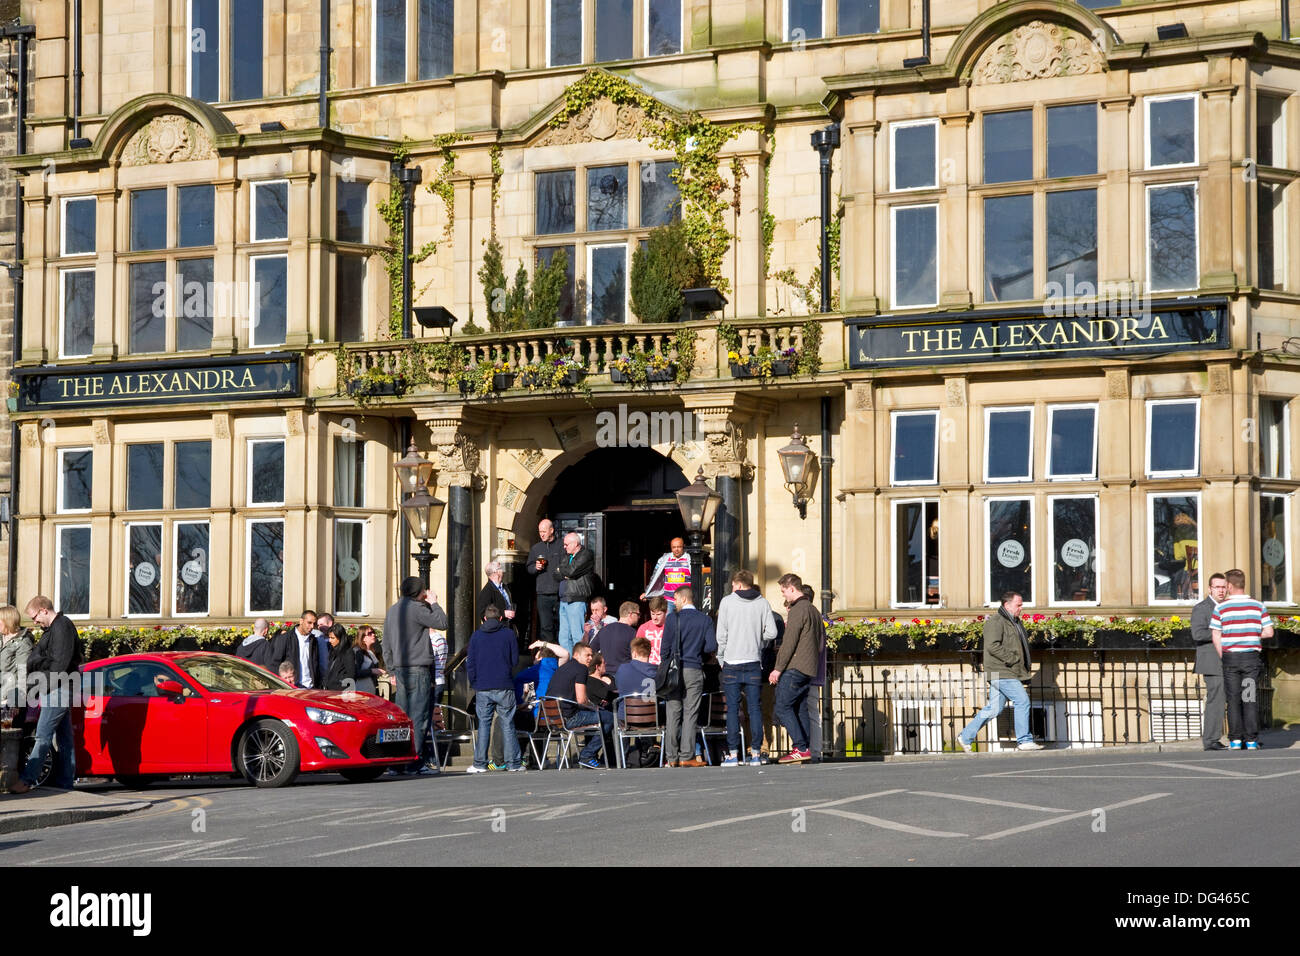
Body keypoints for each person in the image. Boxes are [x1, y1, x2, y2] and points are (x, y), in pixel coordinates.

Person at [10, 595, 83, 793]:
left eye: (35, 617)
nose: (35, 622)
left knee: (42, 736)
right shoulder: (54, 629)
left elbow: (59, 665)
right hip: (59, 687)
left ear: (44, 609)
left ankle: (27, 780)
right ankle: (66, 782)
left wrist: (39, 685)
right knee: (65, 739)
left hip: (58, 688)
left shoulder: (61, 627)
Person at [956, 590, 1041, 753]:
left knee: (994, 709)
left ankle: (965, 737)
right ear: (1007, 605)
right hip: (1001, 671)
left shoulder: (1014, 622)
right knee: (1022, 701)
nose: (1021, 608)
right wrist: (1013, 658)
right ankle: (1024, 740)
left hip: (1005, 671)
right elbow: (992, 646)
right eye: (1018, 605)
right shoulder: (996, 621)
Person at [383, 577, 449, 774]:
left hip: (401, 670)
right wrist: (434, 602)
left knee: (402, 718)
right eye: (423, 591)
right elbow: (442, 622)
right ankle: (414, 763)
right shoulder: (417, 608)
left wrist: (391, 669)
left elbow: (386, 643)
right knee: (419, 718)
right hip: (418, 668)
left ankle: (397, 763)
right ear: (419, 593)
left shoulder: (393, 610)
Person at [715, 570, 776, 767]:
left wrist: (721, 657)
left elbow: (721, 635)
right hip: (753, 662)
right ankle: (756, 752)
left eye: (733, 585)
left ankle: (733, 754)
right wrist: (757, 637)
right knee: (754, 708)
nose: (732, 588)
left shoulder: (727, 602)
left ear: (739, 584)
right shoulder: (762, 602)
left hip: (731, 661)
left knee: (732, 709)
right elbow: (771, 632)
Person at [1211, 568, 1273, 751]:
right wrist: (1252, 634)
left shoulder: (1221, 607)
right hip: (1250, 658)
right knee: (1249, 697)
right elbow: (1269, 632)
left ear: (1229, 585)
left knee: (1233, 699)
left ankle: (1236, 740)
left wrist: (1224, 654)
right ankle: (1252, 740)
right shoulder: (1258, 606)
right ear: (1243, 584)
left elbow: (1216, 634)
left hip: (1230, 657)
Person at [769, 574, 825, 763]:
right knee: (800, 708)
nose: (784, 596)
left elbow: (789, 642)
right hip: (809, 667)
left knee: (782, 706)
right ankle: (806, 749)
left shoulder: (797, 610)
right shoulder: (813, 610)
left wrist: (777, 668)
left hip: (795, 666)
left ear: (792, 588)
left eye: (784, 591)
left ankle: (800, 747)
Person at [661, 586, 716, 768]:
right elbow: (710, 646)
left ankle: (671, 757)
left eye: (675, 599)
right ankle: (686, 756)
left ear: (683, 599)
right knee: (690, 714)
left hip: (674, 671)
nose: (673, 603)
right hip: (693, 668)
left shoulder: (672, 619)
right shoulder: (705, 620)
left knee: (673, 713)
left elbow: (665, 649)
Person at [466, 606, 525, 773]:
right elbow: (514, 660)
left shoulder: (476, 636)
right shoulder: (508, 634)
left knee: (484, 724)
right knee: (507, 723)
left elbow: (470, 663)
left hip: (483, 686)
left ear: (484, 619)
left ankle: (480, 763)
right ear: (500, 619)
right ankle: (513, 763)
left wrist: (474, 683)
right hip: (504, 684)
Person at [545, 641, 613, 768]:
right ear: (576, 655)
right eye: (587, 655)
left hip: (553, 718)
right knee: (609, 717)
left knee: (597, 714)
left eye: (591, 655)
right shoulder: (581, 669)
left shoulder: (563, 668)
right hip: (569, 718)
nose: (591, 658)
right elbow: (581, 700)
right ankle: (587, 755)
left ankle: (588, 754)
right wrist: (594, 707)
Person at [1191, 573, 1228, 750]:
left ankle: (1236, 735)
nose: (1221, 591)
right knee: (1216, 699)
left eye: (1223, 587)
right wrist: (1221, 632)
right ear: (1209, 589)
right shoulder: (1202, 608)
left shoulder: (1229, 607)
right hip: (1211, 661)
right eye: (1217, 587)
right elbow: (1197, 634)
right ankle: (1211, 739)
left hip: (1229, 659)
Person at [554, 532, 597, 653]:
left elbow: (572, 571)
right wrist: (565, 573)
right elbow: (556, 575)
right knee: (563, 637)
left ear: (576, 543)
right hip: (563, 599)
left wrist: (564, 572)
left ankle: (580, 663)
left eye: (566, 544)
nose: (564, 547)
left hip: (576, 599)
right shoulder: (567, 556)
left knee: (577, 635)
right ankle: (567, 663)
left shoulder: (586, 554)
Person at [801, 584, 830, 764]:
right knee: (810, 713)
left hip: (807, 673)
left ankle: (812, 750)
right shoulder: (817, 617)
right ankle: (812, 750)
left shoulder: (810, 617)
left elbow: (816, 647)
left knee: (810, 712)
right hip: (813, 673)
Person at [527, 519, 566, 645]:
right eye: (540, 532)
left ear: (552, 530)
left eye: (544, 531)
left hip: (560, 593)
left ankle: (563, 654)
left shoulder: (562, 545)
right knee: (545, 627)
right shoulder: (536, 548)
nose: (541, 534)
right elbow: (529, 567)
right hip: (542, 593)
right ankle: (549, 655)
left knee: (563, 625)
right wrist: (535, 568)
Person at [514, 639, 569, 719]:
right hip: (556, 716)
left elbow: (523, 703)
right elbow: (565, 654)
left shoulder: (531, 672)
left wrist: (541, 643)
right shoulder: (557, 668)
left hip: (538, 717)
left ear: (539, 656)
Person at [270, 611, 324, 689]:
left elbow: (316, 665)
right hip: (292, 688)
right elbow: (275, 663)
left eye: (314, 624)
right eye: (309, 622)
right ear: (301, 621)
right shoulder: (285, 638)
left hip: (311, 688)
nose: (312, 626)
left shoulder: (313, 640)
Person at [591, 601, 639, 676]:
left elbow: (591, 649)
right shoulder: (632, 632)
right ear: (630, 614)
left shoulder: (604, 629)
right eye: (638, 614)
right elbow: (637, 658)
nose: (639, 617)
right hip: (624, 674)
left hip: (605, 674)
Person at [0, 604, 34, 710]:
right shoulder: (1, 639)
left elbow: (23, 673)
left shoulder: (23, 642)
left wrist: (17, 701)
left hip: (10, 698)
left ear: (7, 621)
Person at [476, 560, 517, 629]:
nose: (503, 571)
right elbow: (483, 613)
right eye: (500, 568)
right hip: (497, 630)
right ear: (496, 572)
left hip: (509, 626)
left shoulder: (504, 587)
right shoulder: (487, 591)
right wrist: (503, 614)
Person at [324, 623, 359, 691]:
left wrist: (338, 685)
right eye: (329, 637)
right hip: (330, 690)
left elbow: (351, 675)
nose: (330, 640)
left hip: (340, 691)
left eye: (332, 638)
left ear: (340, 638)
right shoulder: (333, 650)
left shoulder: (347, 652)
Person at [637, 596, 669, 665]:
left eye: (658, 614)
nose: (655, 618)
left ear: (666, 612)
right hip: (648, 668)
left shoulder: (671, 627)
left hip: (665, 668)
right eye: (652, 614)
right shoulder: (644, 628)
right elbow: (637, 651)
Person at [354, 625, 385, 696]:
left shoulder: (371, 651)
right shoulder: (357, 651)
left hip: (371, 689)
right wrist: (372, 671)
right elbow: (354, 672)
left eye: (373, 632)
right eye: (370, 634)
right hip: (360, 690)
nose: (373, 635)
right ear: (363, 638)